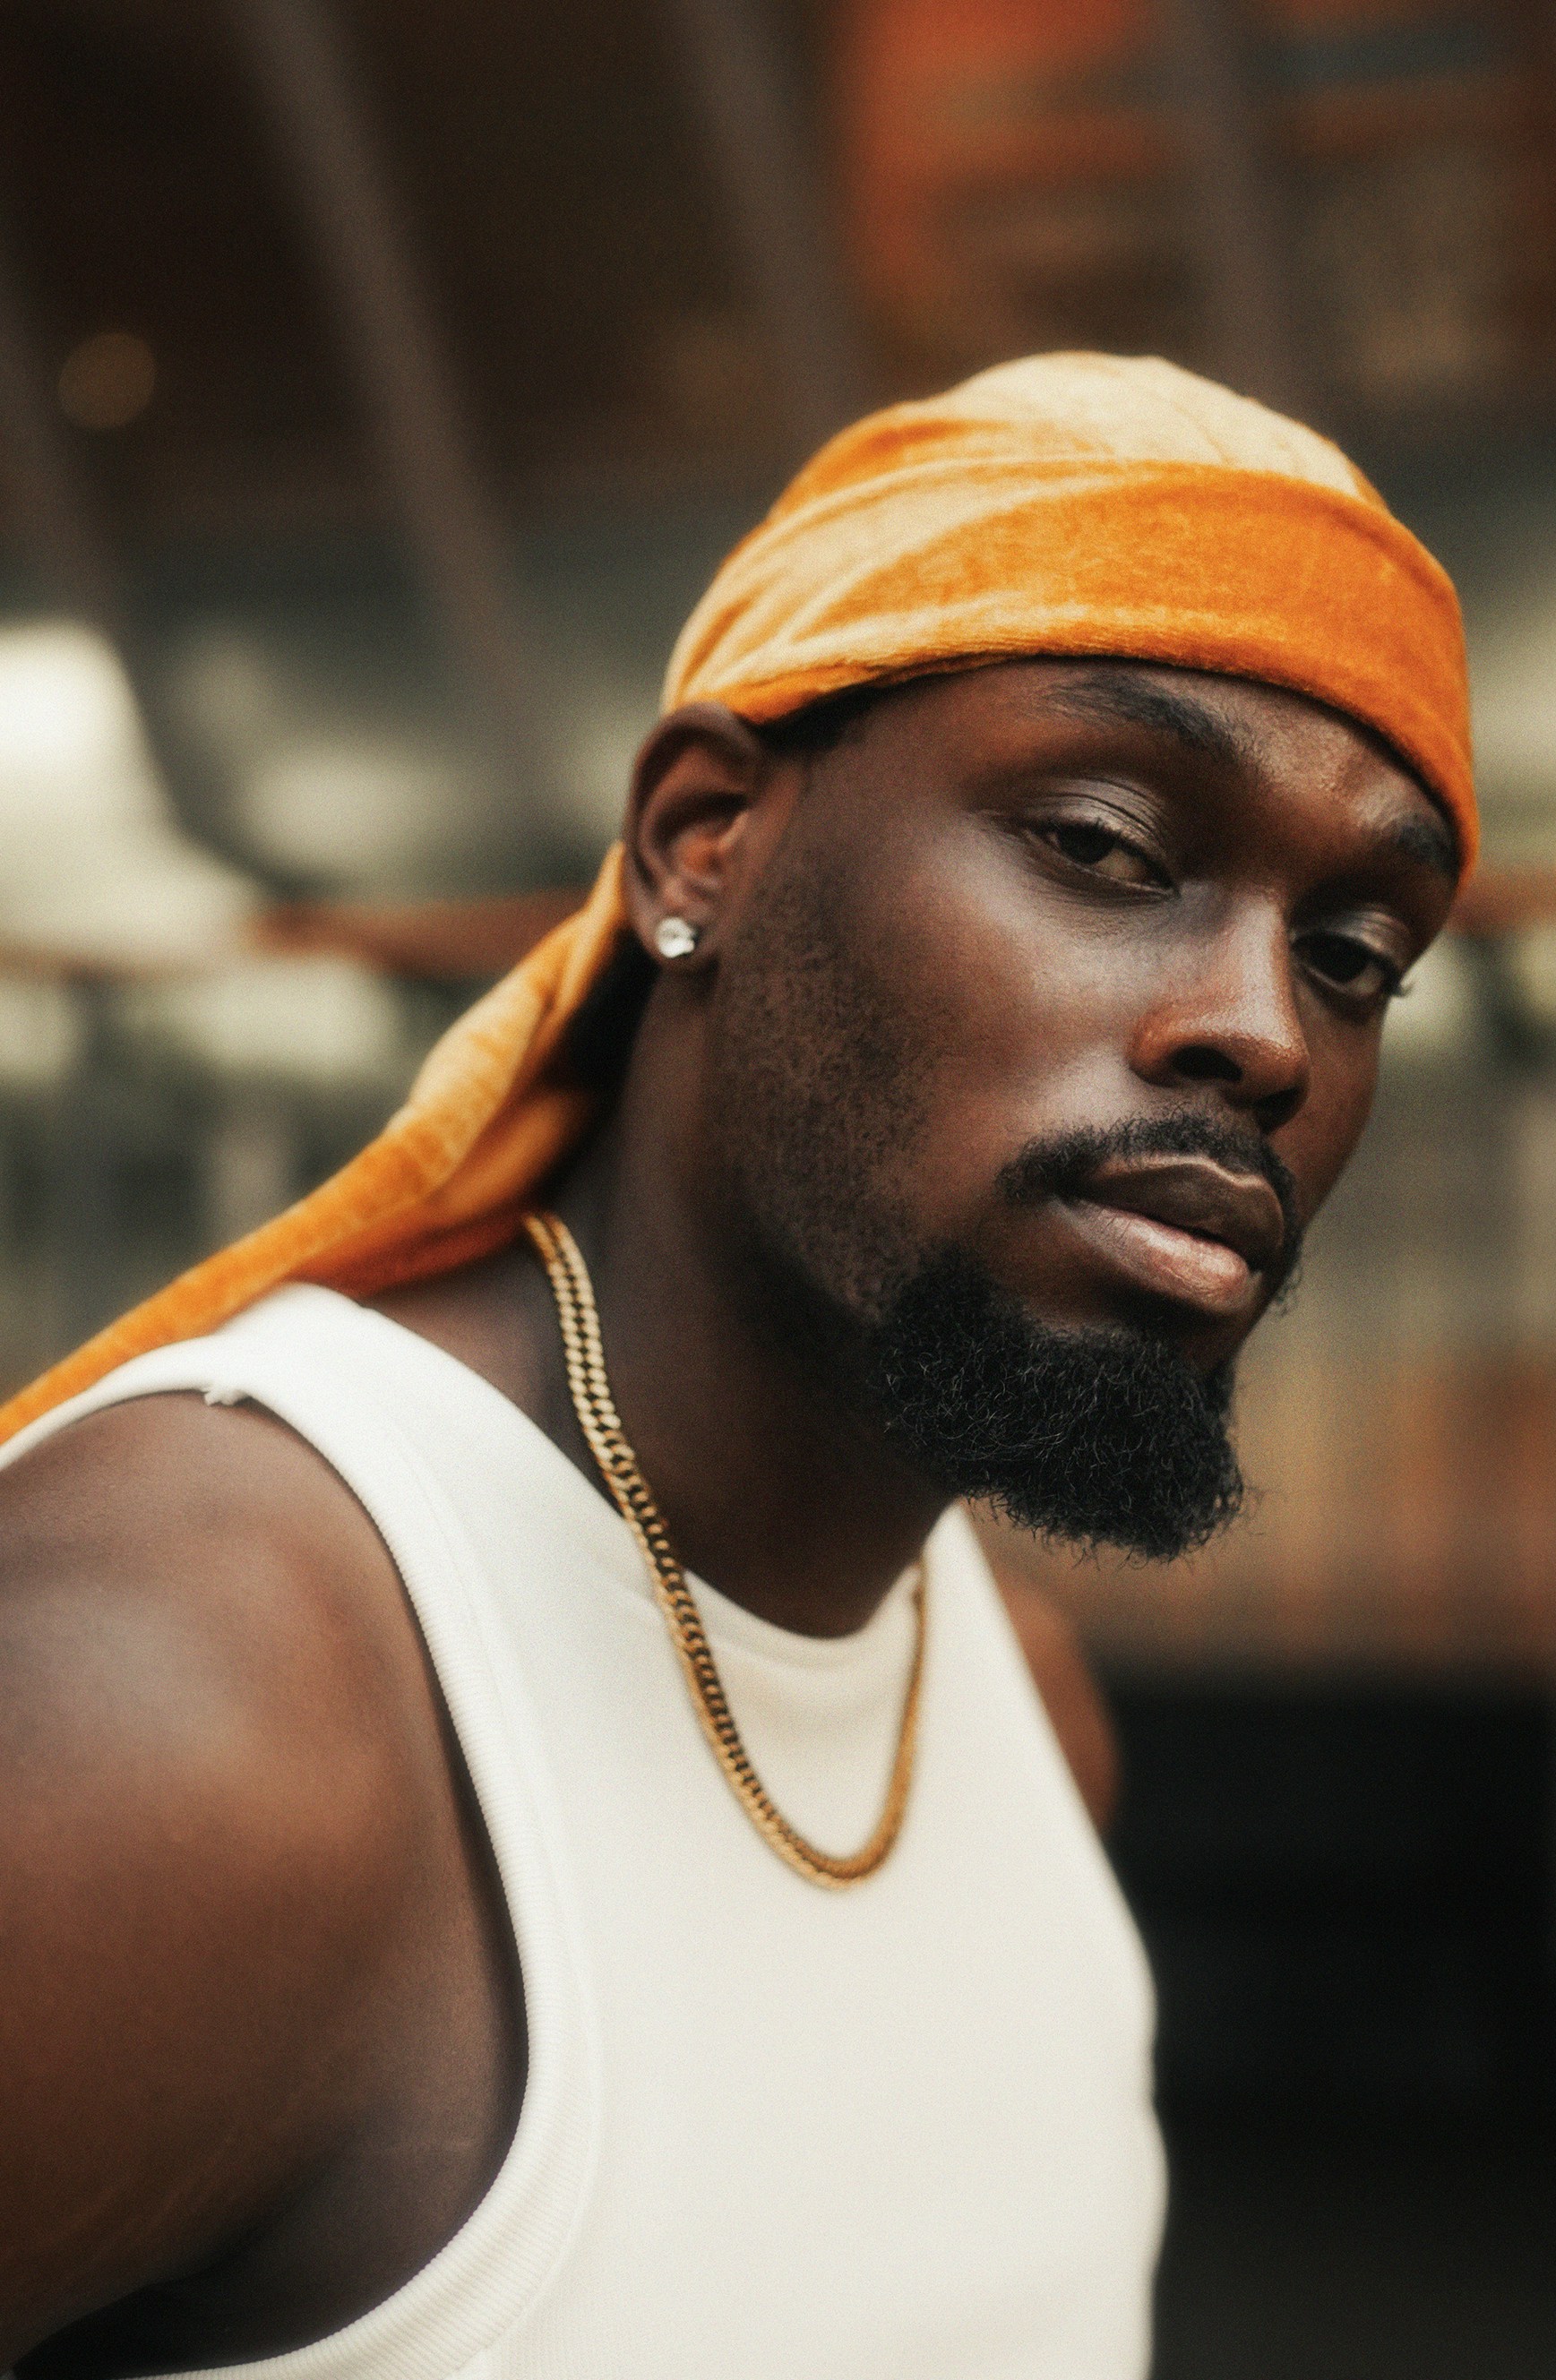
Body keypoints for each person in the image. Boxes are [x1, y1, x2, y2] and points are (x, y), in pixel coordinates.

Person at [0, 353, 1472, 2379]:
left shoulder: (1020, 1700)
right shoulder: (185, 1694)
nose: (1266, 1035)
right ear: (705, 841)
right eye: (1109, 847)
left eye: (1356, 955)